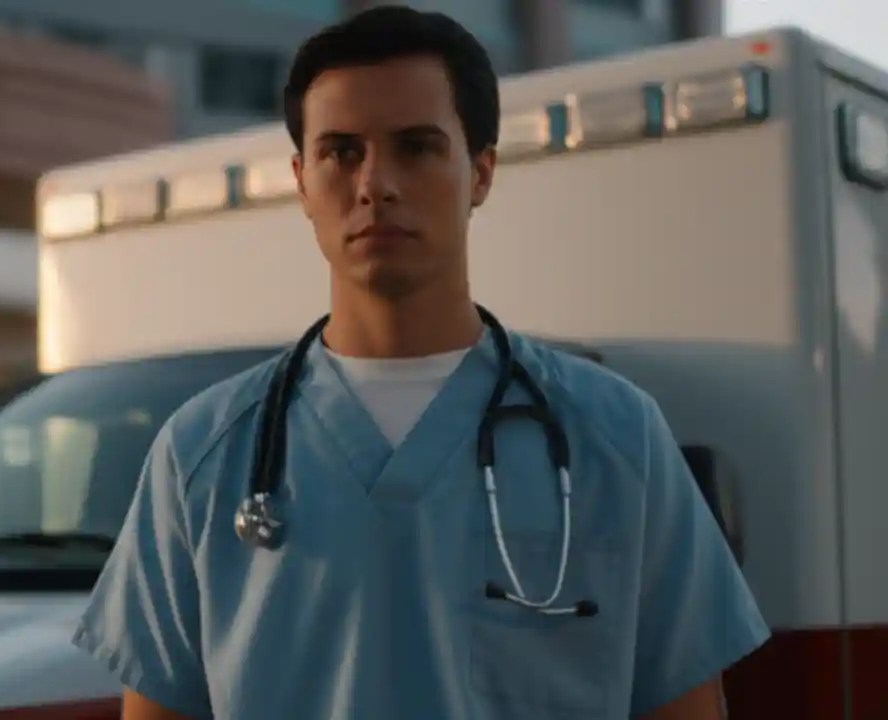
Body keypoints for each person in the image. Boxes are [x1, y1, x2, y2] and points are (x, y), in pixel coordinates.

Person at [71, 6, 771, 719]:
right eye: (342, 152)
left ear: (482, 173)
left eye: (416, 147)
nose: (377, 184)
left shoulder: (618, 437)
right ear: (301, 182)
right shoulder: (201, 456)